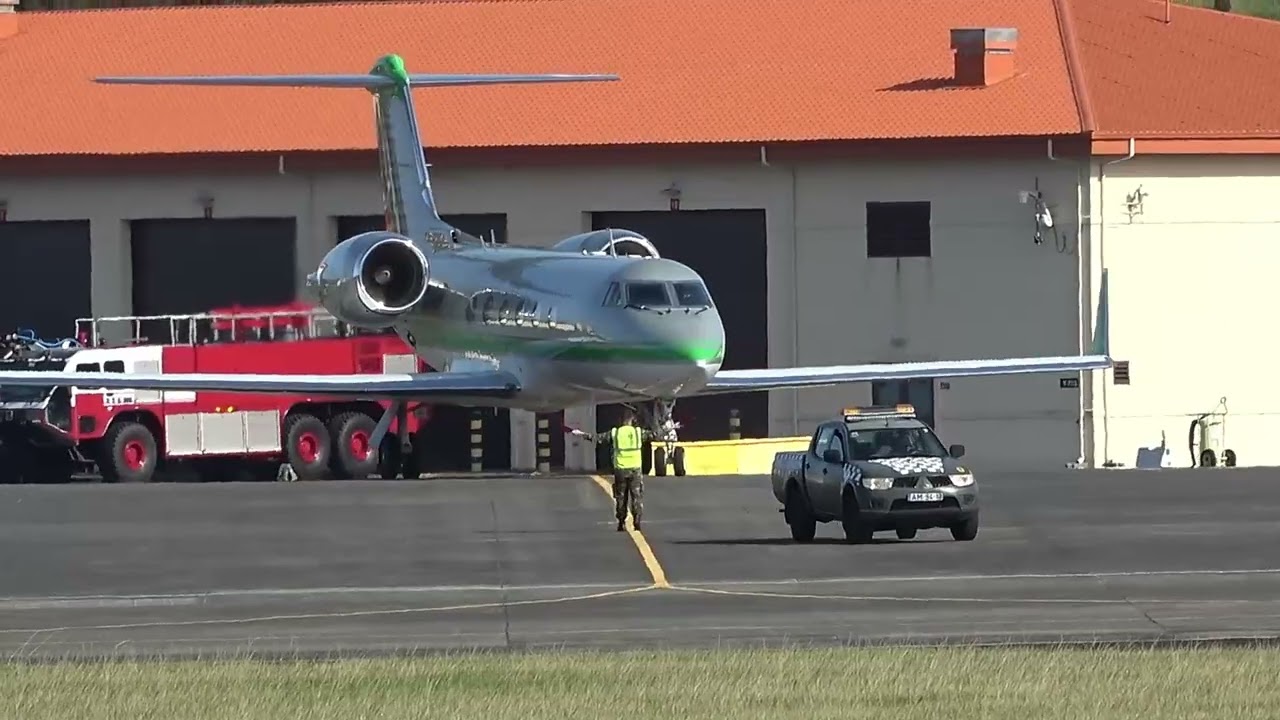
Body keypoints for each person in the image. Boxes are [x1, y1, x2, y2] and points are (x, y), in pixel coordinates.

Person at [569, 409, 652, 531]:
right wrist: (669, 429)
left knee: (620, 496)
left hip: (620, 469)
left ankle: (621, 521)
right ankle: (637, 520)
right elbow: (655, 435)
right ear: (632, 420)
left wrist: (582, 434)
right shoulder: (638, 433)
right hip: (635, 469)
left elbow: (597, 438)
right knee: (636, 495)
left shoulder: (615, 433)